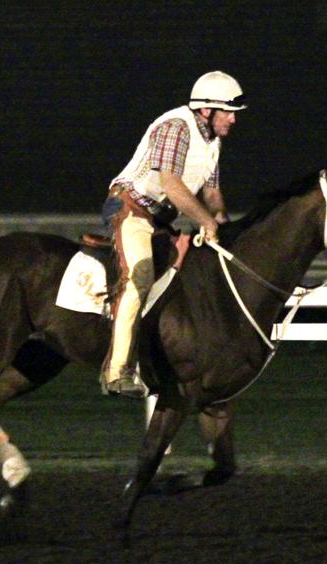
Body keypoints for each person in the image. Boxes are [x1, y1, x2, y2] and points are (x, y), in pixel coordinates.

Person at [100, 70, 247, 397]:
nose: (234, 120)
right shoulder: (176, 127)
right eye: (229, 112)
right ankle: (117, 372)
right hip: (129, 209)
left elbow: (212, 193)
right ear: (206, 110)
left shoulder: (212, 141)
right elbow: (172, 185)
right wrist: (206, 223)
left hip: (159, 218)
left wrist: (221, 221)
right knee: (139, 277)